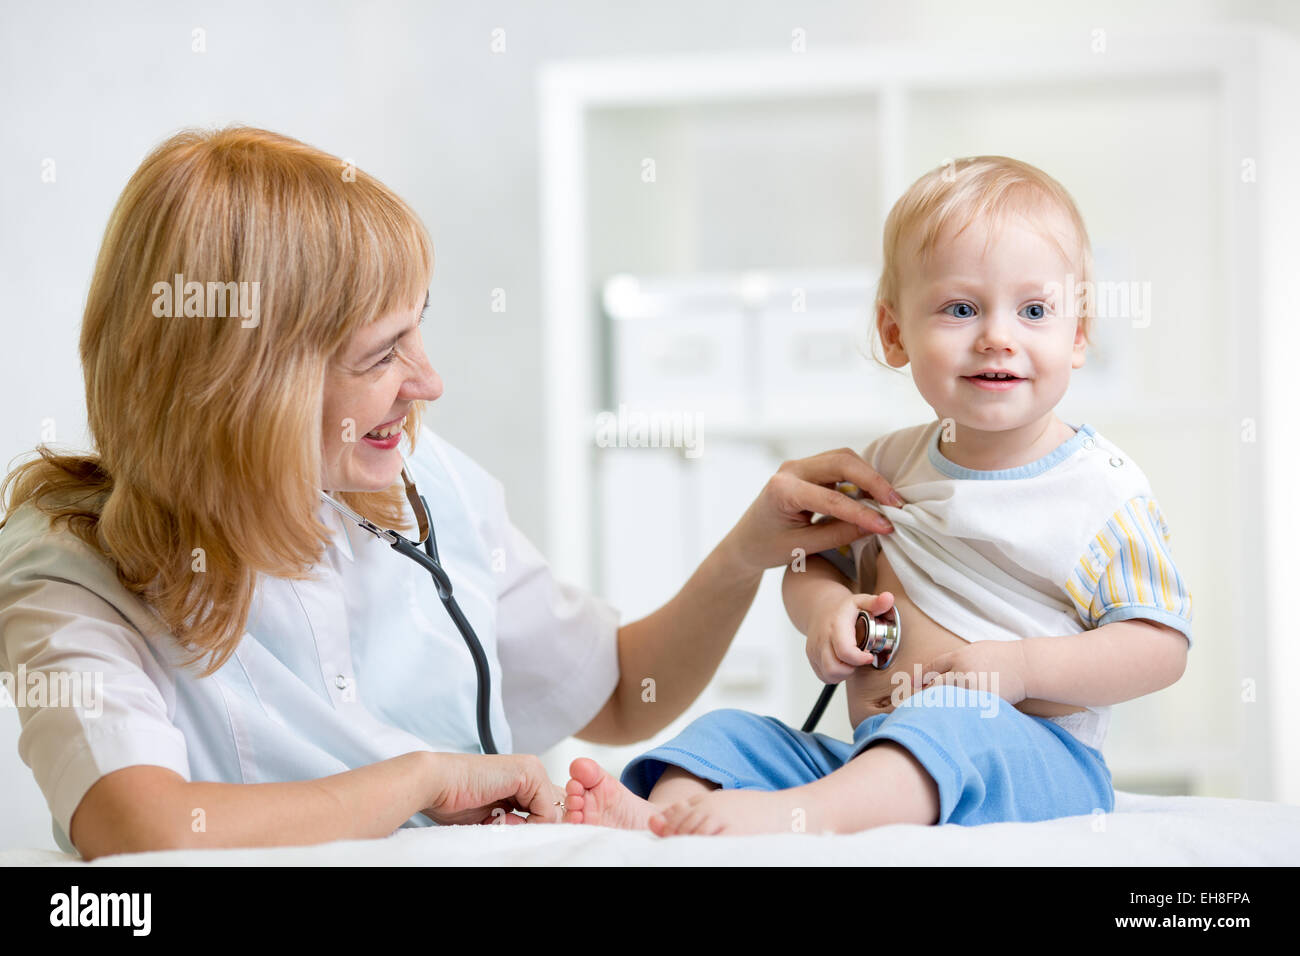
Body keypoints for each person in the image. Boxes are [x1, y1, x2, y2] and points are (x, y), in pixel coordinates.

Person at [0, 126, 903, 860]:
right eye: (381, 354)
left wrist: (748, 549)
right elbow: (136, 825)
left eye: (416, 332)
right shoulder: (68, 568)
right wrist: (422, 783)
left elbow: (625, 693)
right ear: (251, 387)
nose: (427, 383)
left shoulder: (423, 482)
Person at [561, 156, 1194, 836]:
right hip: (879, 750)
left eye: (1034, 310)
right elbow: (815, 563)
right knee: (733, 734)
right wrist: (829, 611)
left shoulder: (1101, 488)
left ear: (1078, 336)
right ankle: (663, 816)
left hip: (1033, 760)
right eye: (960, 308)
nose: (997, 336)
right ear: (895, 334)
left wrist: (1018, 669)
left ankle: (797, 819)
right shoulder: (887, 465)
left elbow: (1160, 646)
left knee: (956, 720)